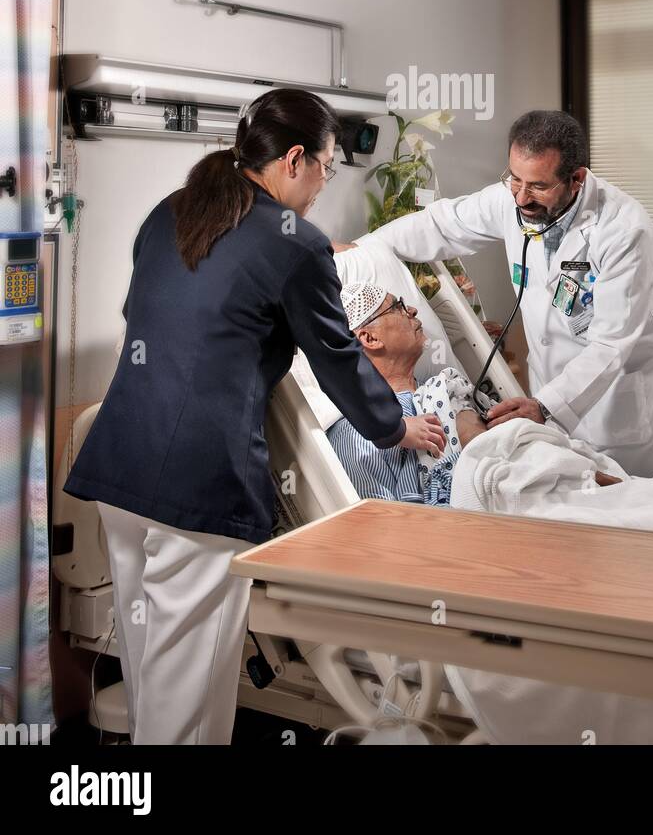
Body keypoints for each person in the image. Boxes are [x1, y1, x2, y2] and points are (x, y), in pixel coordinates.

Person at [63, 88, 443, 745]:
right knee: (188, 708)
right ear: (295, 159)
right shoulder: (298, 245)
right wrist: (394, 426)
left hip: (118, 465)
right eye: (326, 167)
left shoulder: (172, 211)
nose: (323, 185)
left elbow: (148, 317)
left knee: (154, 678)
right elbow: (338, 358)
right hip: (197, 489)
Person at [357, 110, 653, 477]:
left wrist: (546, 405)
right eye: (514, 178)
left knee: (645, 505)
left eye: (537, 186)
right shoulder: (511, 198)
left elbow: (611, 345)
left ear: (577, 179)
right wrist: (360, 251)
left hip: (623, 407)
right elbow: (440, 224)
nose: (520, 197)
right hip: (552, 394)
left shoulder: (623, 229)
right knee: (573, 504)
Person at [328, 281, 483, 505]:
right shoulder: (355, 435)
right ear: (370, 338)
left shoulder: (447, 387)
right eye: (397, 307)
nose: (412, 310)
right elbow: (384, 520)